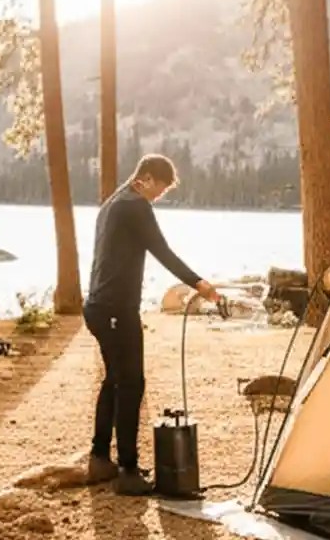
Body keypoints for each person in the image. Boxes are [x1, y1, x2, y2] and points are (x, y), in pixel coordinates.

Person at [84, 153, 225, 495]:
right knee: (131, 383)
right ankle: (128, 472)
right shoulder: (135, 206)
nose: (160, 195)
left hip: (98, 307)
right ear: (146, 177)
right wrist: (199, 283)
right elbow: (162, 251)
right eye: (160, 188)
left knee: (115, 380)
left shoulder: (113, 202)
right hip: (116, 309)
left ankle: (101, 458)